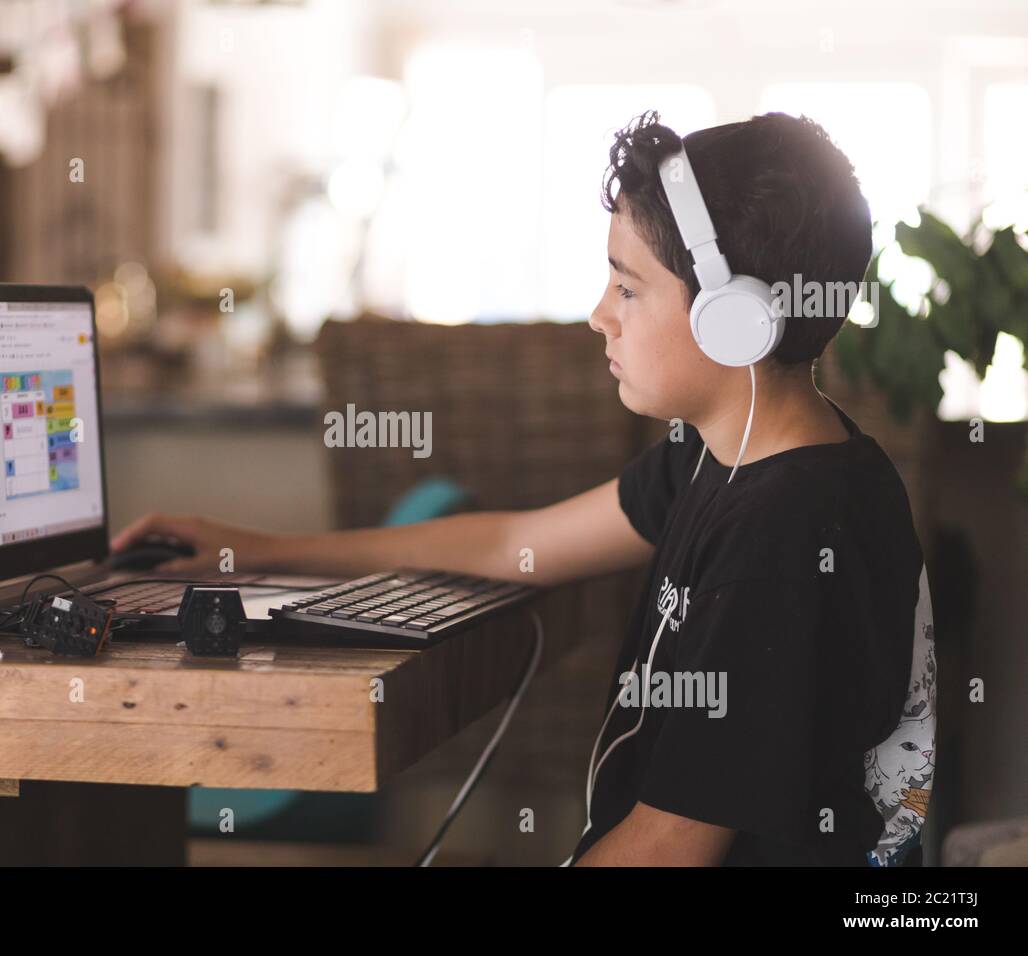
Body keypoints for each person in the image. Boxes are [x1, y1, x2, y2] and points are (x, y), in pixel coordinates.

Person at [112, 111, 935, 867]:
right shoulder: (720, 456)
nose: (597, 316)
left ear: (734, 318)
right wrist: (257, 551)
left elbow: (669, 848)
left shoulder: (788, 533)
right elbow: (516, 544)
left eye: (627, 287)